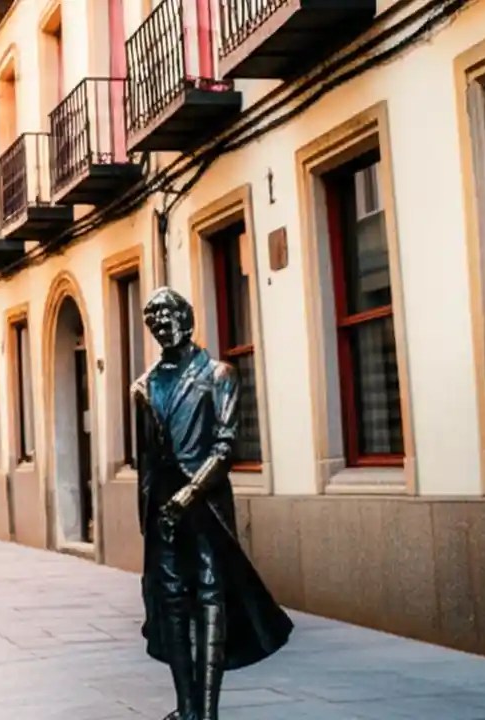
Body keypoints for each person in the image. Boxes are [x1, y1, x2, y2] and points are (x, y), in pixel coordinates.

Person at [132, 287, 292, 720]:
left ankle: (206, 712)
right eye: (153, 320)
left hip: (206, 506)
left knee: (210, 595)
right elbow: (144, 459)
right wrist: (147, 518)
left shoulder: (220, 375)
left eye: (168, 315)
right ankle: (186, 709)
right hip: (163, 512)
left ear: (187, 317)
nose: (162, 325)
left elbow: (224, 448)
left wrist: (187, 496)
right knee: (171, 603)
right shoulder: (143, 387)